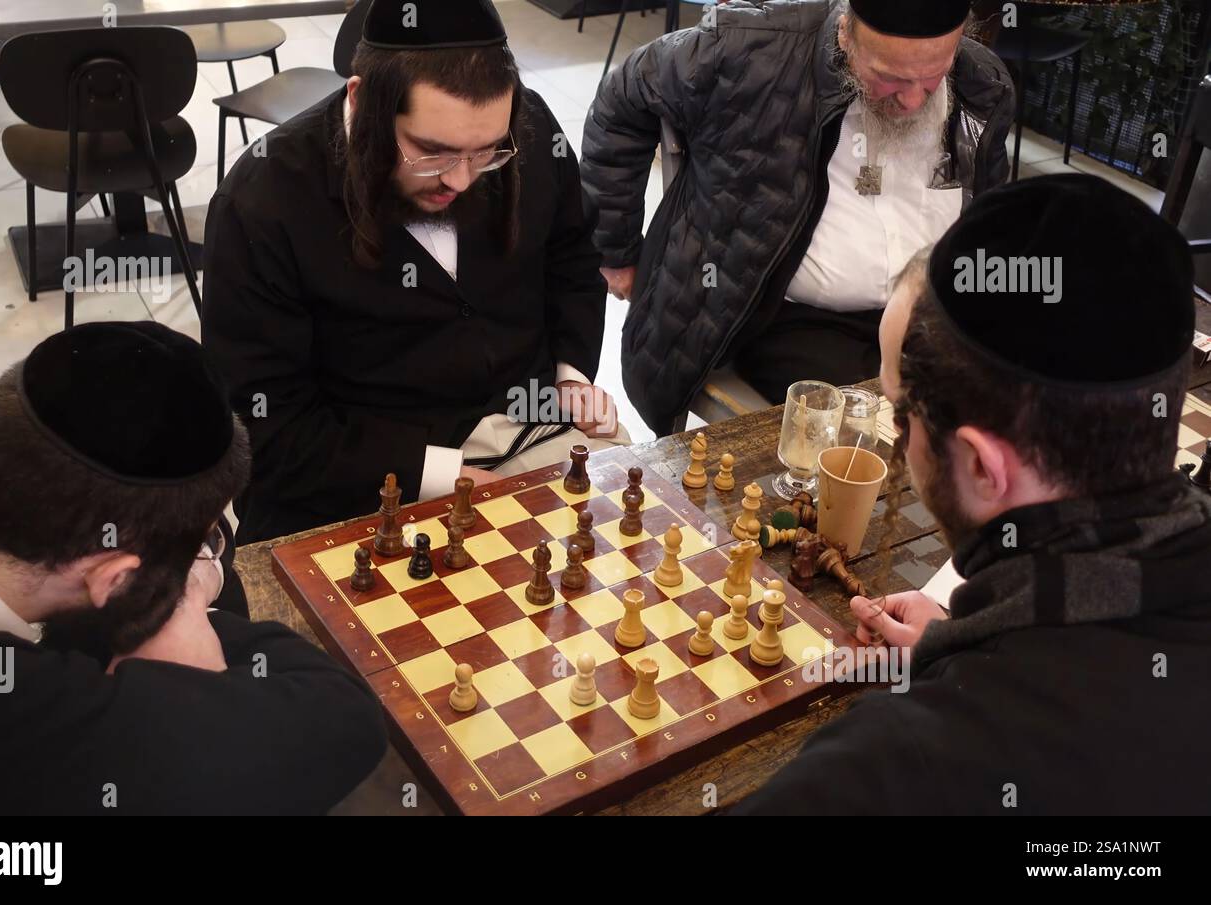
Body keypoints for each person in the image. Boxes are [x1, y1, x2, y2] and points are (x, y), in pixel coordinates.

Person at [733, 174, 1211, 815]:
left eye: (902, 416)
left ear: (984, 467)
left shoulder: (888, 774)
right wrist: (968, 637)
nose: (900, 443)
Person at [0, 322, 387, 815]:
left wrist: (168, 570)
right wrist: (177, 604)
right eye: (202, 540)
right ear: (115, 577)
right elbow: (344, 720)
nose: (206, 557)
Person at [203, 0, 625, 544]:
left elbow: (572, 255)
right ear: (362, 100)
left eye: (487, 152)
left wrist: (571, 375)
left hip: (528, 421)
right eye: (431, 151)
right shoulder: (265, 200)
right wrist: (442, 477)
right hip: (354, 480)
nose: (461, 180)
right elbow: (266, 429)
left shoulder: (529, 129)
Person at [580, 0, 1014, 434]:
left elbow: (988, 220)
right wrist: (615, 251)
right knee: (886, 424)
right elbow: (621, 102)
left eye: (932, 77)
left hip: (926, 314)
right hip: (789, 315)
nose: (913, 99)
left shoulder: (983, 84)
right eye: (890, 77)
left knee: (1012, 402)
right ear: (846, 33)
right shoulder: (745, 48)